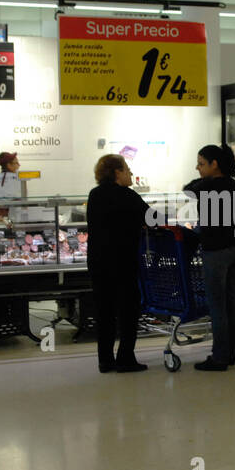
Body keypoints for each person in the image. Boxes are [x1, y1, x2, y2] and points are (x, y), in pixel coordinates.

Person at [183, 144, 235, 372]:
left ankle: (219, 357)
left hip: (216, 252)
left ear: (214, 164)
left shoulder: (207, 187)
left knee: (217, 306)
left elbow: (186, 189)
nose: (197, 168)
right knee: (230, 303)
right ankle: (229, 354)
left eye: (201, 164)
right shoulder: (233, 185)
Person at [87, 154, 149, 373]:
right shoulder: (128, 195)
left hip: (97, 261)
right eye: (127, 169)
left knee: (104, 311)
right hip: (123, 261)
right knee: (128, 310)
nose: (130, 173)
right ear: (116, 173)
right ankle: (125, 358)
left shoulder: (94, 195)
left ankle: (105, 360)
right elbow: (153, 217)